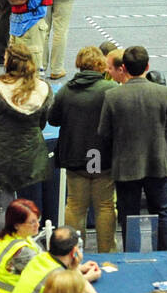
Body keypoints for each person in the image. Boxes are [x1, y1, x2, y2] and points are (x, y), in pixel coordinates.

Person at [98, 45, 167, 251]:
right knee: (162, 213)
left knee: (129, 215)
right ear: (148, 66)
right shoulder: (162, 92)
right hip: (156, 162)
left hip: (125, 166)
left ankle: (132, 256)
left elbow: (103, 134)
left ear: (123, 67)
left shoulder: (113, 96)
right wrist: (166, 153)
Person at [0, 41, 52, 229]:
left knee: (1, 207)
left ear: (9, 63)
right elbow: (42, 123)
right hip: (29, 155)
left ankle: (5, 248)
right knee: (21, 205)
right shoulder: (44, 89)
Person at [50, 47, 118, 252]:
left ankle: (74, 251)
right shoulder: (110, 89)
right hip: (101, 156)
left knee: (75, 206)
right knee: (105, 206)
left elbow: (53, 120)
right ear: (101, 65)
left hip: (74, 156)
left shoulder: (66, 90)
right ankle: (107, 253)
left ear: (79, 63)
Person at [2, 225, 101, 293]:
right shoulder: (60, 278)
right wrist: (76, 270)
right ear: (74, 252)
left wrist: (76, 269)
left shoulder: (39, 258)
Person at [0, 199, 42, 293]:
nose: (38, 225)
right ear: (16, 225)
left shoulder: (7, 238)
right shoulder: (21, 251)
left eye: (37, 220)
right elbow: (44, 278)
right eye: (32, 222)